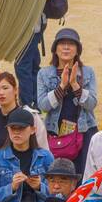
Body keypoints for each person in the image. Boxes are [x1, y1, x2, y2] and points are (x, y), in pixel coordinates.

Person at [36, 27, 98, 174]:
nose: (66, 47)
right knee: (56, 176)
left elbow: (91, 104)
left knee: (83, 175)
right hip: (55, 133)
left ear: (77, 50)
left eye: (71, 44)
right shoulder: (44, 74)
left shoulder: (87, 72)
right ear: (55, 49)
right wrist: (62, 86)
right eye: (61, 43)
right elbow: (43, 105)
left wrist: (75, 84)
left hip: (84, 132)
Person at [14, 0, 69, 108]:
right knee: (31, 64)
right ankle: (37, 100)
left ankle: (28, 103)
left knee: (22, 65)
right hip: (33, 26)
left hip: (31, 27)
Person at [0, 71, 48, 162]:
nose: (1, 93)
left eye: (5, 88)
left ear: (16, 90)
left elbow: (43, 148)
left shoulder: (30, 116)